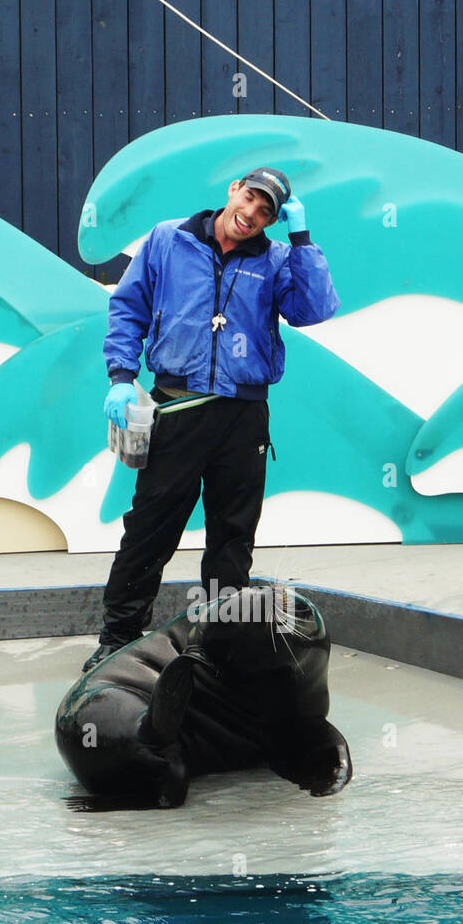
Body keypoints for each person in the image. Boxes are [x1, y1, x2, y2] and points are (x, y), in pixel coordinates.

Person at [82, 166, 340, 671]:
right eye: (249, 199)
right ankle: (118, 639)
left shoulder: (277, 258)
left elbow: (315, 309)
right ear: (232, 191)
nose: (252, 215)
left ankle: (221, 646)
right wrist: (119, 374)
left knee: (233, 534)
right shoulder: (167, 239)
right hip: (178, 408)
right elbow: (128, 307)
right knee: (150, 528)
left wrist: (302, 238)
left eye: (266, 212)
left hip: (243, 417)